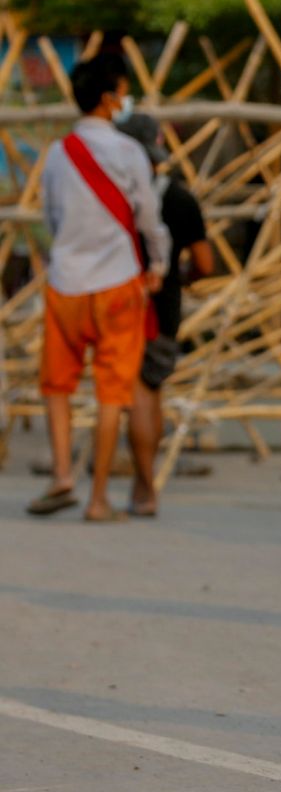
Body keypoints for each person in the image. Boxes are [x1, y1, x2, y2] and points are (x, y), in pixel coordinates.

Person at [30, 53, 170, 522]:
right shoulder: (129, 152)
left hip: (66, 282)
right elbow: (148, 218)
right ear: (110, 99)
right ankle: (98, 499)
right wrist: (159, 262)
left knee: (57, 385)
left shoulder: (56, 153)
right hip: (117, 283)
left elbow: (51, 217)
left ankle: (63, 473)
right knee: (112, 394)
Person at [117, 112, 215, 517]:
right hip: (166, 306)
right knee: (151, 391)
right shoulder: (179, 197)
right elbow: (206, 263)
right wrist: (181, 275)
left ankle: (142, 485)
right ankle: (145, 482)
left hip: (123, 301)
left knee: (132, 395)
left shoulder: (115, 196)